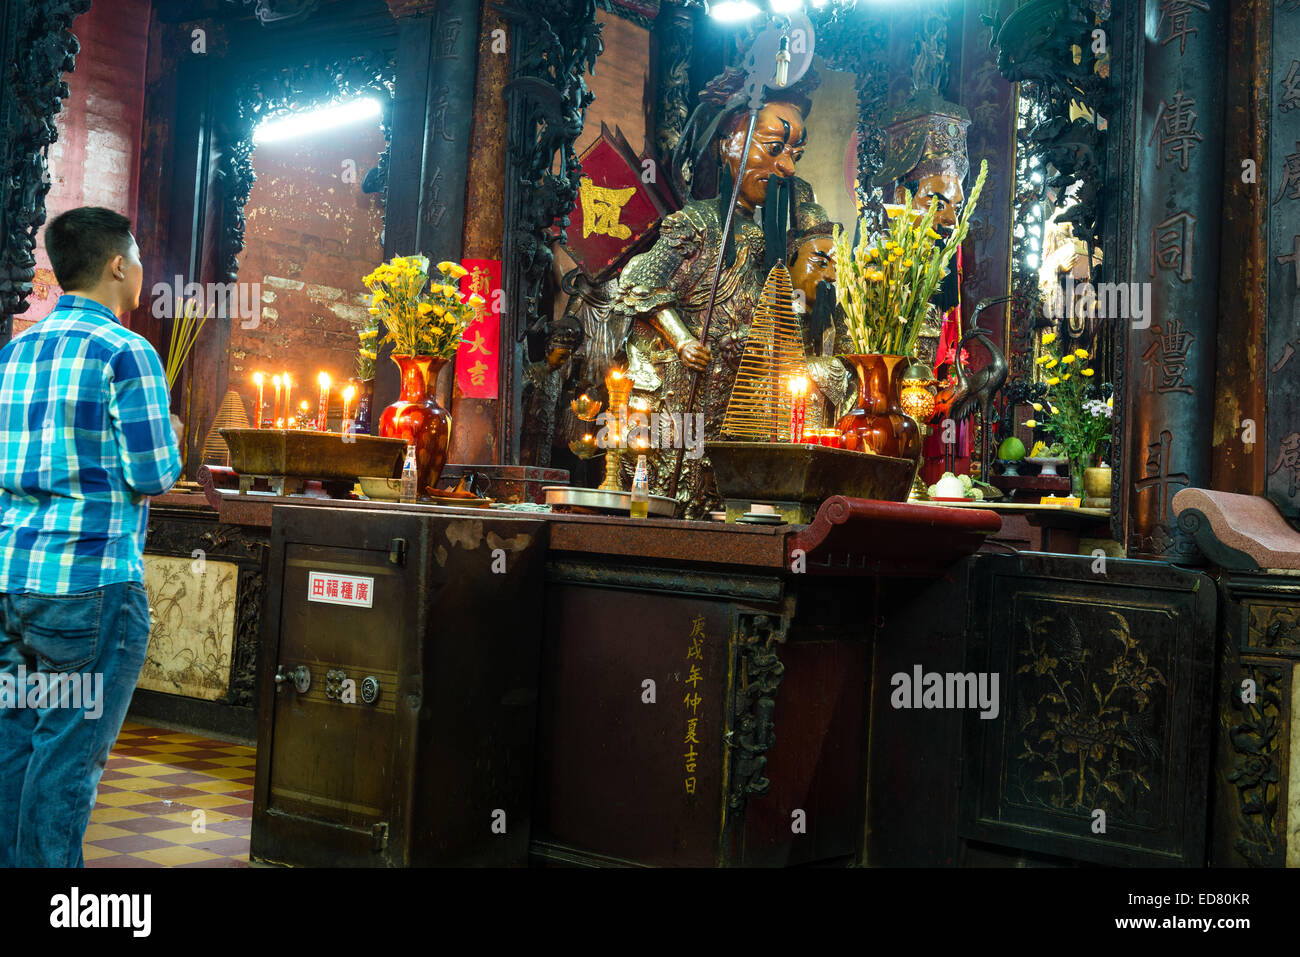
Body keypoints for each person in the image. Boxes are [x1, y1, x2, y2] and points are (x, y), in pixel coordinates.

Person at [0, 206, 183, 867]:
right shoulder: (125, 352)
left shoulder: (14, 351)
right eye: (136, 260)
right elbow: (155, 471)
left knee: (17, 748)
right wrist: (174, 436)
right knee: (69, 762)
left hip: (13, 587)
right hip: (89, 593)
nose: (141, 272)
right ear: (115, 265)